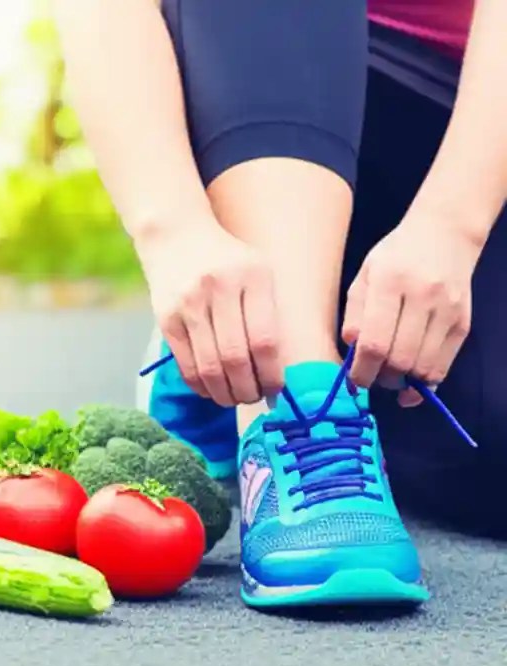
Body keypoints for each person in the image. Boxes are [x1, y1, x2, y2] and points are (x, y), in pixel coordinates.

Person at [55, 0, 505, 606]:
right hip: (270, 73)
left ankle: (257, 325)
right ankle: (300, 385)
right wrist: (176, 234)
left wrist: (453, 228)